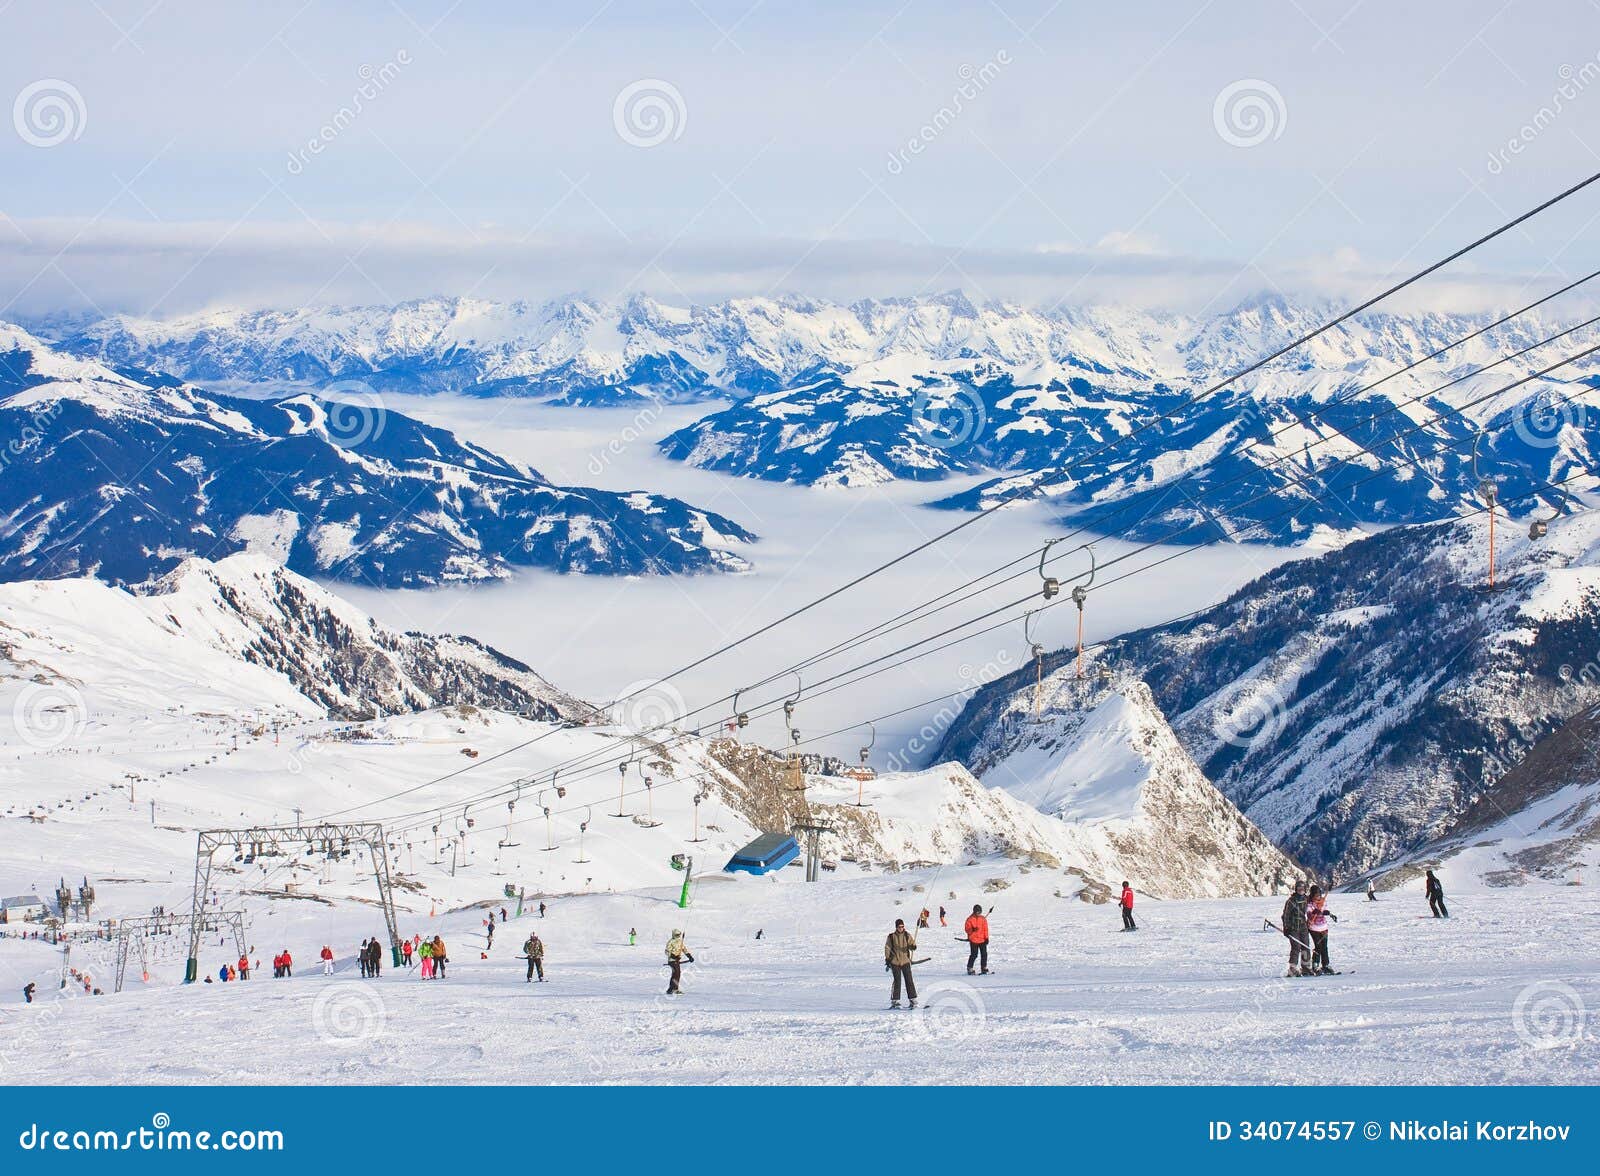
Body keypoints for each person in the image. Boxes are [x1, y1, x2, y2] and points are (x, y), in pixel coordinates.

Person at [885, 918, 918, 1009]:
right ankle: (895, 1001)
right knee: (897, 981)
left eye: (902, 926)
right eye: (899, 927)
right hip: (895, 962)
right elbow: (887, 948)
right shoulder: (891, 937)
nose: (901, 928)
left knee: (909, 980)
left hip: (905, 961)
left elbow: (912, 944)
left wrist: (913, 946)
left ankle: (913, 999)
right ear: (896, 927)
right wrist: (887, 959)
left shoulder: (907, 935)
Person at [1281, 881, 1311, 977]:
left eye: (1302, 888)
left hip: (1303, 927)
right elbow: (1285, 915)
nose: (1301, 890)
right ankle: (1292, 968)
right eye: (1299, 888)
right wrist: (1286, 928)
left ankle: (1306, 967)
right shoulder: (1291, 901)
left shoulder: (1306, 899)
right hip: (1293, 928)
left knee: (1305, 946)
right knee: (1296, 947)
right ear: (1296, 889)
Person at [1306, 886, 1337, 974]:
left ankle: (1325, 965)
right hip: (1314, 928)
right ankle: (1315, 965)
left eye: (1319, 895)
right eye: (1316, 895)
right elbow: (1308, 914)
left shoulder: (1323, 902)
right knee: (1318, 946)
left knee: (1324, 947)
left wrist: (1328, 913)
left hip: (1324, 927)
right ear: (1312, 895)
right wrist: (1313, 913)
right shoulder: (1310, 904)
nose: (1318, 897)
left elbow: (1324, 910)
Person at [963, 904, 990, 975]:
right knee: (974, 954)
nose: (979, 914)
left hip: (982, 940)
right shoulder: (969, 919)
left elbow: (985, 929)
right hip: (973, 940)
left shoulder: (983, 919)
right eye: (977, 912)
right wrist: (972, 929)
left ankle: (984, 968)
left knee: (984, 954)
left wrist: (986, 938)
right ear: (974, 911)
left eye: (980, 912)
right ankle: (970, 968)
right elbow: (967, 929)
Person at [665, 929, 692, 995]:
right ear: (673, 935)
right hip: (672, 961)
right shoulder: (671, 942)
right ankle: (675, 989)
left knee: (675, 974)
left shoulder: (680, 942)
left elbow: (684, 949)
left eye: (679, 935)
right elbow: (667, 952)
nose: (678, 936)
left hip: (677, 961)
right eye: (677, 935)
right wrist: (674, 957)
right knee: (677, 974)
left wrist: (689, 956)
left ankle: (670, 989)